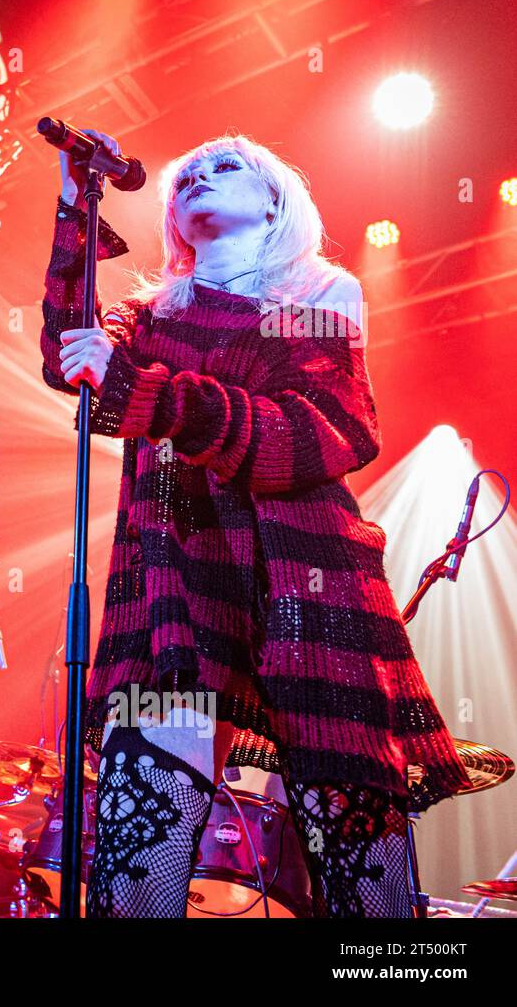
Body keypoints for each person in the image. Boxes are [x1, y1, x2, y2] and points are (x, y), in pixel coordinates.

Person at [39, 132, 470, 918]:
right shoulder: (147, 318)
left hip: (311, 583)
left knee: (361, 869)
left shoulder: (325, 295)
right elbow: (67, 353)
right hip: (175, 580)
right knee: (140, 856)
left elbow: (324, 431)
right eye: (184, 175)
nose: (198, 175)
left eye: (224, 165)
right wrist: (74, 205)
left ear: (275, 198)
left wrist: (159, 397)